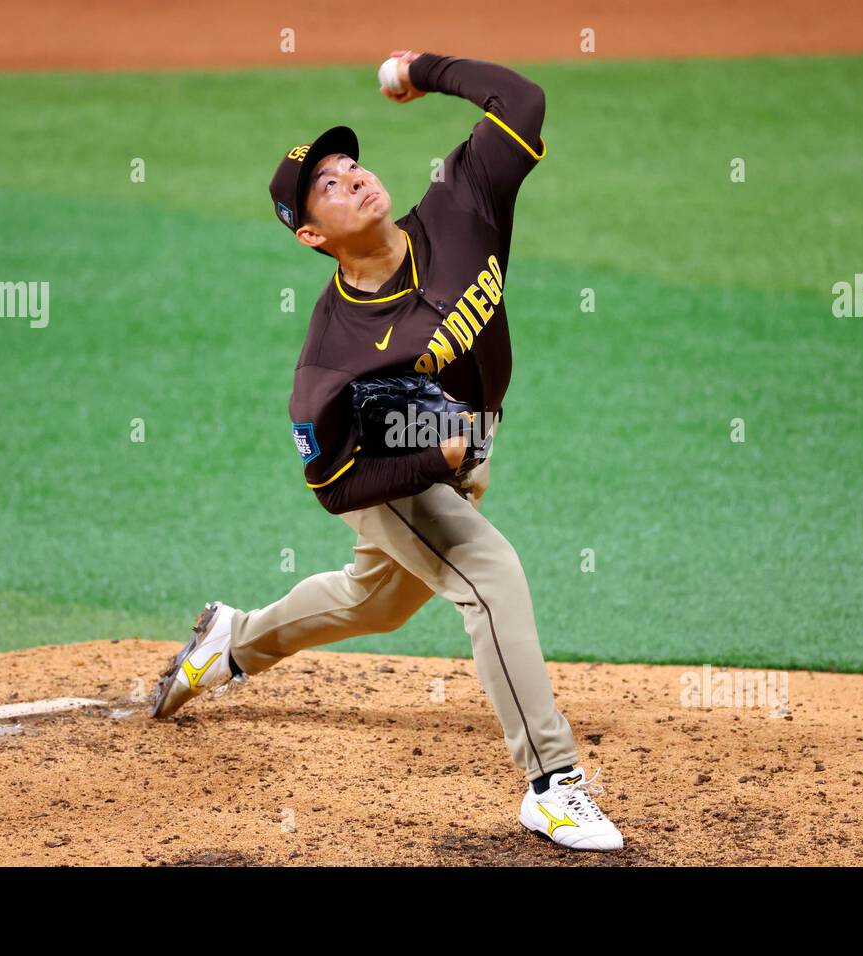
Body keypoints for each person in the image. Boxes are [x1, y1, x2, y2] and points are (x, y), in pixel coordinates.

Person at [152, 50, 623, 852]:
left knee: (379, 600)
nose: (353, 180)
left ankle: (231, 638)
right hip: (391, 475)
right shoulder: (331, 361)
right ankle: (553, 785)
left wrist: (423, 69)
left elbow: (524, 99)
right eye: (327, 187)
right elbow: (334, 484)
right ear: (310, 234)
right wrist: (431, 463)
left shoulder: (458, 207)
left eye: (350, 166)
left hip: (462, 442)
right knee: (488, 573)